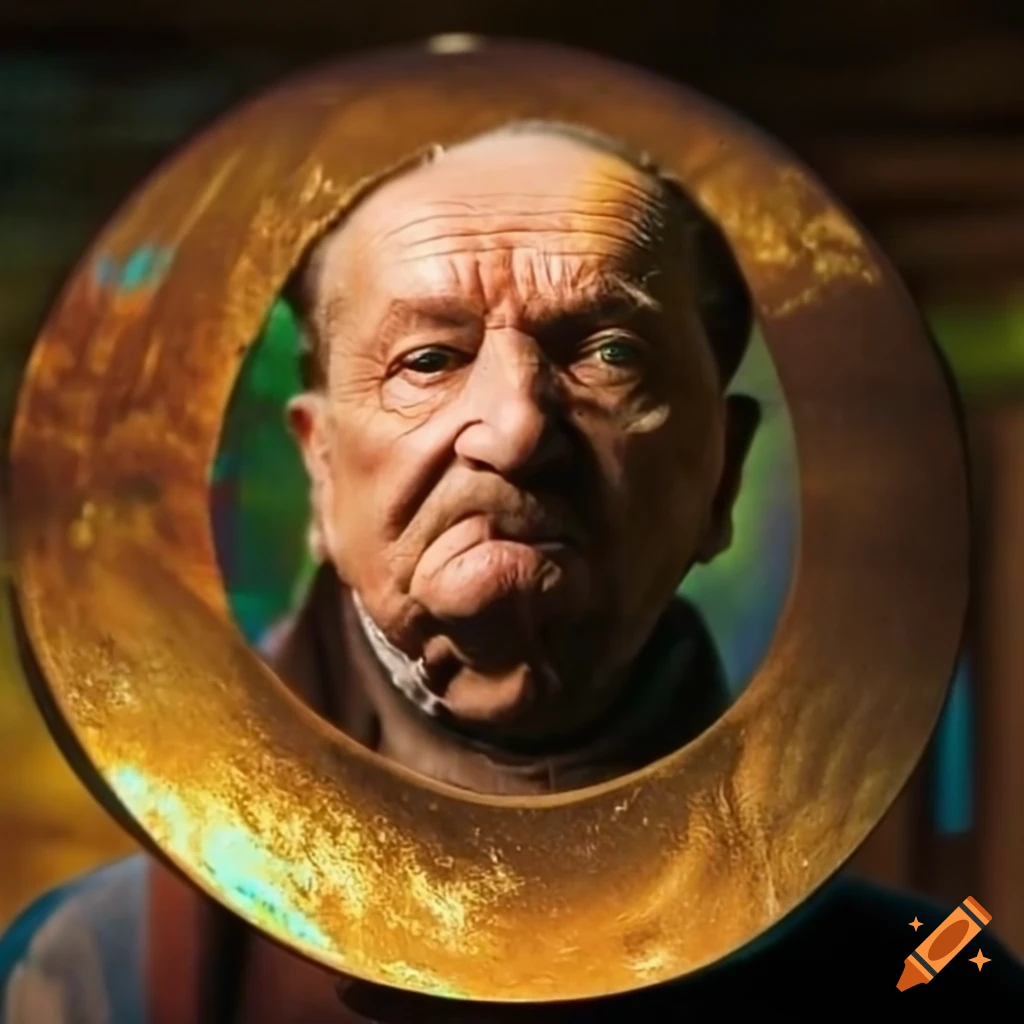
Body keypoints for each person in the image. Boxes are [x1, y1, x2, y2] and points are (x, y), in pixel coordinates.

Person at [1, 121, 1021, 1023]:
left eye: (609, 353)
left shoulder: (925, 984)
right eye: (429, 360)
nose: (519, 425)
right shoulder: (81, 980)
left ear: (723, 473)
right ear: (320, 468)